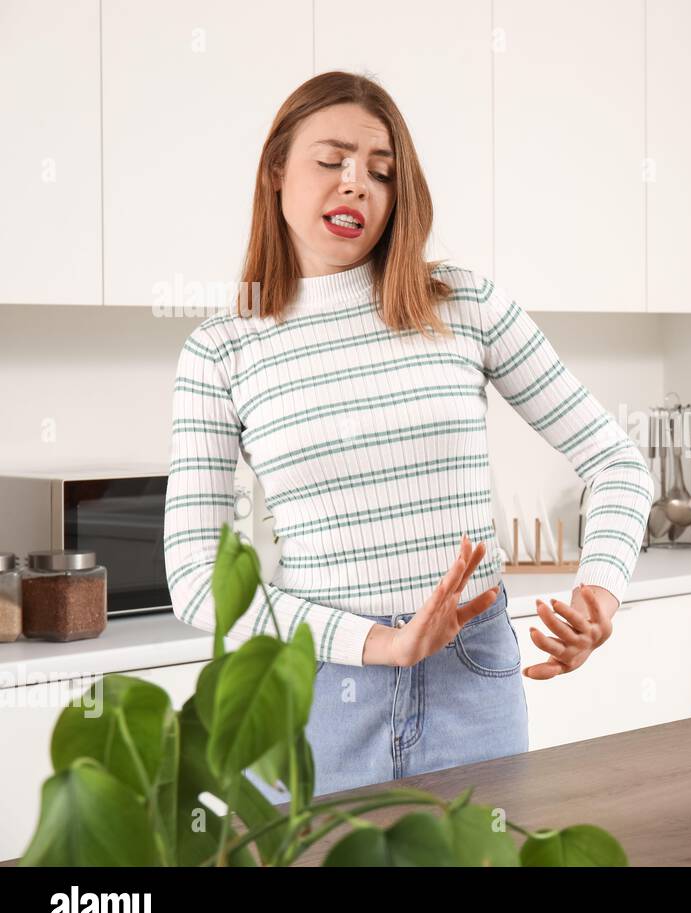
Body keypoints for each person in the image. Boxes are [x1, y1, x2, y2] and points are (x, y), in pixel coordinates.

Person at [163, 72, 653, 803]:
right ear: (276, 171)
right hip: (317, 692)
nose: (355, 185)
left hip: (471, 679)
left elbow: (617, 461)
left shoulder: (465, 306)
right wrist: (378, 645)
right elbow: (196, 577)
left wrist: (599, 595)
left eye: (381, 171)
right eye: (331, 161)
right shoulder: (223, 349)